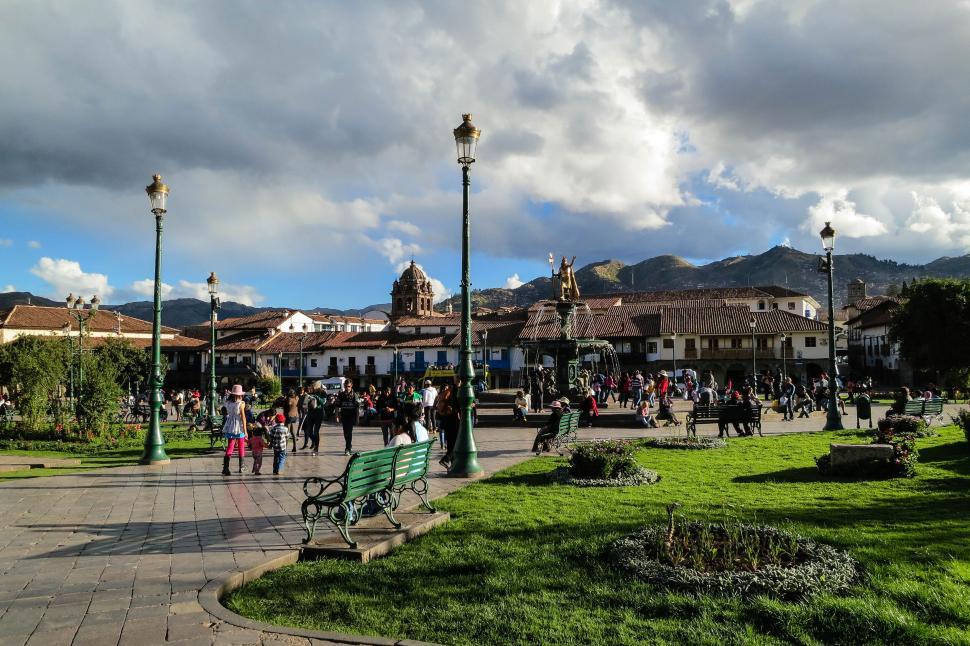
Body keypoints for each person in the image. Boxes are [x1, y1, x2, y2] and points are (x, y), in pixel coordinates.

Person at [221, 385, 248, 476]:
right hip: (239, 426)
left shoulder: (228, 403)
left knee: (230, 447)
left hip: (230, 426)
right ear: (240, 395)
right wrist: (245, 431)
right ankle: (241, 467)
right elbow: (243, 418)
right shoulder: (241, 404)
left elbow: (224, 412)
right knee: (241, 447)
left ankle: (226, 468)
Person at [436, 382, 459, 467]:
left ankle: (451, 464)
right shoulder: (452, 395)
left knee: (450, 443)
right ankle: (446, 459)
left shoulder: (441, 396)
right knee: (456, 443)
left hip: (446, 422)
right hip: (453, 422)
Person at [336, 381, 360, 455]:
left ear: (351, 386)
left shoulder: (354, 395)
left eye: (349, 386)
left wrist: (357, 418)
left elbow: (357, 407)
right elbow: (337, 405)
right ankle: (349, 445)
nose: (347, 388)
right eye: (346, 386)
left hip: (351, 416)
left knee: (349, 432)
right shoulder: (341, 395)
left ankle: (347, 448)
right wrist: (337, 416)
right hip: (344, 416)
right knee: (345, 433)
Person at [302, 387, 324, 455]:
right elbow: (304, 405)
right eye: (312, 387)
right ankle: (315, 442)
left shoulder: (322, 393)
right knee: (309, 431)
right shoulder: (308, 394)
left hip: (319, 414)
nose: (312, 388)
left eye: (314, 386)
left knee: (316, 431)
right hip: (310, 415)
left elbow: (323, 402)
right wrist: (305, 408)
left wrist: (316, 397)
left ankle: (316, 448)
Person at [284, 389, 300, 454]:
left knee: (287, 433)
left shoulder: (289, 399)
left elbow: (288, 404)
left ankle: (285, 449)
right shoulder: (297, 398)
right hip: (295, 416)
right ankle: (295, 447)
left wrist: (285, 399)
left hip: (289, 416)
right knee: (293, 433)